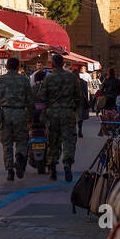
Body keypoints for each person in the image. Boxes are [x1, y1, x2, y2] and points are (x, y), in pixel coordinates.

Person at [36, 54, 80, 182]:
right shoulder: (72, 77)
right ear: (63, 63)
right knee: (69, 140)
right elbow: (78, 96)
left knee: (53, 141)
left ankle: (53, 168)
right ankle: (67, 163)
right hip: (68, 113)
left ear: (53, 65)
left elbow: (41, 96)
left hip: (52, 114)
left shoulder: (48, 79)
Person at [0, 56, 33, 180]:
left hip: (5, 114)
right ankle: (19, 157)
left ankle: (10, 170)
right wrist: (30, 116)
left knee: (7, 143)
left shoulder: (0, 80)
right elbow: (30, 101)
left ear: (6, 67)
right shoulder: (24, 80)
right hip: (20, 113)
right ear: (18, 67)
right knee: (21, 140)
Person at [75, 65, 90, 138]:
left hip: (72, 101)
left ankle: (74, 131)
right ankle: (80, 130)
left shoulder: (70, 82)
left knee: (73, 117)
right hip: (81, 101)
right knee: (80, 117)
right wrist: (87, 101)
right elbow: (86, 93)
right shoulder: (83, 82)